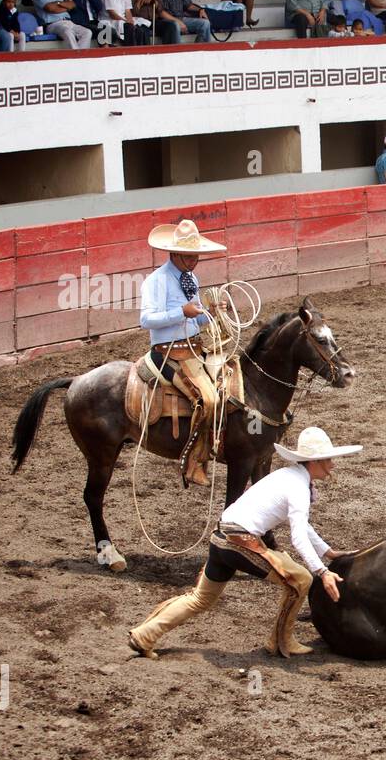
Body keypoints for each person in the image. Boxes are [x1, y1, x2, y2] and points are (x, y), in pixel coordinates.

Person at [127, 426, 360, 661]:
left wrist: (327, 552)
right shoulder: (298, 488)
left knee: (200, 598)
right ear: (315, 462)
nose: (333, 464)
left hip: (221, 537)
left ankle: (143, 635)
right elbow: (298, 535)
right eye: (329, 458)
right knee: (301, 579)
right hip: (239, 541)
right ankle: (281, 640)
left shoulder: (289, 477)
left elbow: (302, 525)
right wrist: (322, 571)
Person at [139, 220, 226, 488]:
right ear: (174, 253)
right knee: (208, 399)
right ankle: (194, 462)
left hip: (193, 348)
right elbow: (146, 320)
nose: (194, 261)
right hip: (168, 353)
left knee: (228, 386)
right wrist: (181, 313)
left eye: (196, 256)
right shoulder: (157, 281)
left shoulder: (191, 279)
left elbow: (196, 320)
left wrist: (211, 313)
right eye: (189, 256)